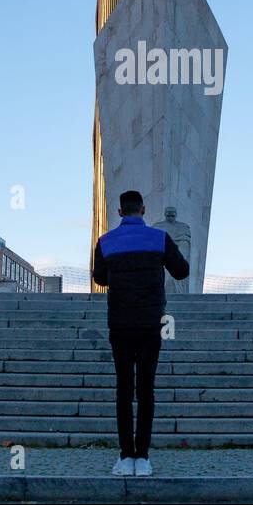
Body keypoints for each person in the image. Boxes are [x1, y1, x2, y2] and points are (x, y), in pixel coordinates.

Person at [91, 189, 190, 476]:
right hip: (150, 324)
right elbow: (182, 271)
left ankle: (125, 457)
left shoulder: (105, 241)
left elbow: (99, 277)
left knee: (124, 388)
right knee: (146, 389)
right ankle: (143, 458)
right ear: (143, 210)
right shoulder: (159, 239)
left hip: (120, 324)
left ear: (120, 212)